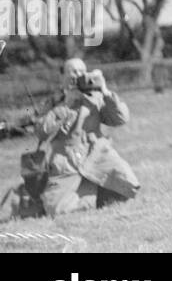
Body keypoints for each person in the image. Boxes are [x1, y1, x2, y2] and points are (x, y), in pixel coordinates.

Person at [0, 58, 140, 221]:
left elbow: (120, 119)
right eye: (73, 71)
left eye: (82, 70)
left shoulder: (96, 95)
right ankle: (20, 200)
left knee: (128, 185)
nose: (78, 75)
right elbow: (41, 132)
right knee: (56, 209)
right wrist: (66, 104)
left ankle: (90, 197)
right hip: (65, 161)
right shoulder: (55, 101)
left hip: (96, 154)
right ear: (63, 76)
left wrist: (106, 92)